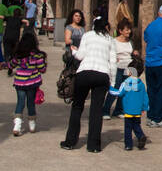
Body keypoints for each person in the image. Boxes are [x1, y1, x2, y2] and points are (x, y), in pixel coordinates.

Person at [61, 16, 117, 153]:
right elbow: (113, 62)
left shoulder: (87, 35)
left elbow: (80, 56)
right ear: (106, 27)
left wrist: (73, 50)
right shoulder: (110, 40)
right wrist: (113, 82)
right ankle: (93, 145)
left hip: (84, 72)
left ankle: (70, 141)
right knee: (96, 110)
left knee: (77, 106)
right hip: (102, 74)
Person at [10, 31, 47, 135]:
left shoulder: (18, 55)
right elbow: (42, 69)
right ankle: (32, 125)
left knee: (20, 103)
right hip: (32, 83)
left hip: (19, 82)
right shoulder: (37, 56)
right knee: (30, 103)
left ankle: (17, 126)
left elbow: (11, 65)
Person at [112, 66, 148, 151]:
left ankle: (128, 145)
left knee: (128, 128)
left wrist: (109, 89)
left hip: (128, 110)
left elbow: (120, 93)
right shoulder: (141, 84)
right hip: (137, 110)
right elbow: (145, 97)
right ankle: (140, 136)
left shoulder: (127, 83)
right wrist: (144, 107)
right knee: (136, 125)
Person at [104, 19, 134, 118]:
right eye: (126, 30)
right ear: (120, 31)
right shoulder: (113, 41)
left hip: (129, 68)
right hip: (117, 68)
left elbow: (131, 53)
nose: (128, 32)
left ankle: (119, 110)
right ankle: (106, 110)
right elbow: (108, 53)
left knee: (126, 90)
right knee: (115, 89)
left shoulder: (130, 42)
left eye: (129, 29)